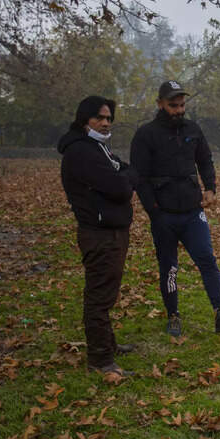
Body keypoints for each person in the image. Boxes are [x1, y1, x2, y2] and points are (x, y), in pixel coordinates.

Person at [130, 80, 220, 337]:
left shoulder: (193, 129)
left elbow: (205, 160)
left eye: (182, 105)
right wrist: (154, 211)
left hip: (193, 212)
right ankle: (173, 315)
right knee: (169, 267)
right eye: (173, 105)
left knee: (207, 259)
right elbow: (139, 177)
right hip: (164, 215)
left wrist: (210, 188)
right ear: (160, 104)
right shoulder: (146, 134)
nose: (179, 110)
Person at [57, 95, 139, 378]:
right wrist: (124, 181)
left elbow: (125, 171)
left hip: (112, 231)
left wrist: (123, 177)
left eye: (108, 118)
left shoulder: (98, 148)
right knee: (99, 297)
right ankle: (101, 360)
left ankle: (108, 345)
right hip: (99, 234)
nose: (105, 123)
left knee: (106, 293)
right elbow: (120, 187)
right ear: (84, 120)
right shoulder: (81, 152)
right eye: (99, 118)